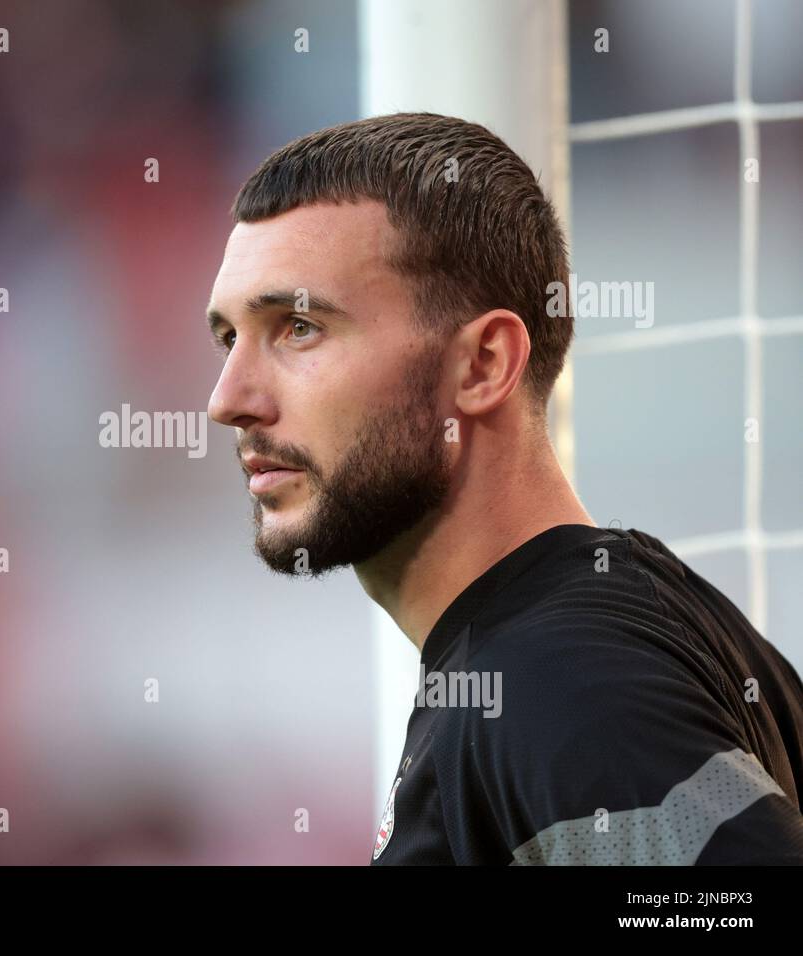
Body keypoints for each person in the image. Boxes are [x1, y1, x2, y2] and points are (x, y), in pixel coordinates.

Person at [204, 112, 803, 864]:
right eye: (229, 338)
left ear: (484, 365)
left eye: (298, 327)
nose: (227, 399)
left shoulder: (560, 678)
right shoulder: (582, 638)